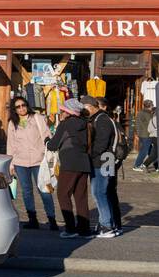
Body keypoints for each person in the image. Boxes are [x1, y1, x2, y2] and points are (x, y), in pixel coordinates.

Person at [7, 96, 57, 231]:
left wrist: (47, 155)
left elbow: (47, 136)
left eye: (23, 105)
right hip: (20, 162)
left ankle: (52, 219)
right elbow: (10, 144)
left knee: (46, 189)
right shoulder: (12, 123)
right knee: (27, 191)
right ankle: (32, 219)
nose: (21, 108)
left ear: (27, 105)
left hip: (39, 161)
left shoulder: (37, 118)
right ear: (14, 109)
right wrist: (11, 164)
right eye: (18, 107)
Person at [49, 98, 93, 238]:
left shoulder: (65, 124)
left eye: (63, 110)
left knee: (63, 194)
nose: (61, 112)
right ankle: (84, 230)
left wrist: (47, 141)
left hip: (69, 162)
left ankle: (70, 228)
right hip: (84, 162)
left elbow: (53, 145)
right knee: (81, 197)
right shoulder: (87, 124)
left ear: (68, 112)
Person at [85, 96, 122, 237]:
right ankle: (111, 225)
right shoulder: (102, 119)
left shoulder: (102, 120)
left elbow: (101, 144)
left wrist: (88, 155)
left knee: (100, 193)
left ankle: (107, 226)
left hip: (104, 160)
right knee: (107, 193)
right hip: (107, 160)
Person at [132, 99, 156, 173]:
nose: (152, 106)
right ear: (150, 106)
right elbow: (151, 123)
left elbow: (137, 124)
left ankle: (154, 165)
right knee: (144, 151)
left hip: (144, 134)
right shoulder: (146, 113)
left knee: (151, 151)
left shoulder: (142, 112)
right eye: (152, 105)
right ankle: (137, 165)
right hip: (146, 134)